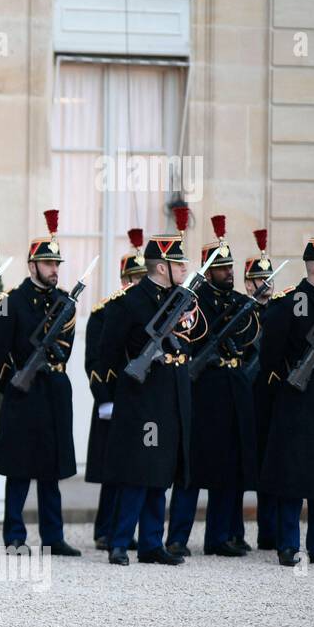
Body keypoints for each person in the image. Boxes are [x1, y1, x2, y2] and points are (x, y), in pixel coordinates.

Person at [96, 206, 205, 565]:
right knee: (136, 471)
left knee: (161, 472)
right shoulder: (129, 302)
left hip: (172, 392)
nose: (185, 269)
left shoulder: (180, 300)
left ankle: (152, 544)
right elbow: (107, 355)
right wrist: (113, 397)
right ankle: (119, 540)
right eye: (179, 264)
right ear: (161, 267)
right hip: (142, 398)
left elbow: (191, 339)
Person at [257, 211, 314, 567]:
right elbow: (270, 358)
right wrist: (283, 390)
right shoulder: (287, 304)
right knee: (295, 471)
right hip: (298, 394)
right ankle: (288, 542)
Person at [166, 216, 260, 557]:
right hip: (203, 390)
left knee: (229, 466)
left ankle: (221, 536)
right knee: (191, 469)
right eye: (222, 268)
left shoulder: (238, 302)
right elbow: (185, 338)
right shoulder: (193, 300)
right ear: (208, 272)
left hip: (232, 387)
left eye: (230, 266)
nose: (229, 272)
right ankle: (177, 537)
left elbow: (252, 338)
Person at [0, 209, 80, 555]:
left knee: (51, 470)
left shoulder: (64, 303)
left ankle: (53, 537)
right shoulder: (7, 303)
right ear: (32, 266)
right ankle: (14, 536)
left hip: (54, 391)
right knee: (18, 470)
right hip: (23, 396)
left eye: (57, 264)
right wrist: (13, 386)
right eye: (47, 264)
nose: (54, 269)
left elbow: (66, 350)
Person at [85, 229, 146, 550]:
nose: (137, 284)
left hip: (140, 400)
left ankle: (126, 529)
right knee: (112, 469)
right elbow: (95, 363)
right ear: (124, 280)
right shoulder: (104, 313)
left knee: (133, 467)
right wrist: (104, 400)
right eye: (132, 279)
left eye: (142, 278)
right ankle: (105, 530)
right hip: (114, 400)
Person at [243, 229, 283, 551]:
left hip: (272, 399)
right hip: (245, 398)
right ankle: (229, 532)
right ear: (248, 284)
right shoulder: (241, 314)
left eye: (268, 278)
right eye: (258, 279)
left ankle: (269, 533)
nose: (265, 285)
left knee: (273, 469)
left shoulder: (280, 312)